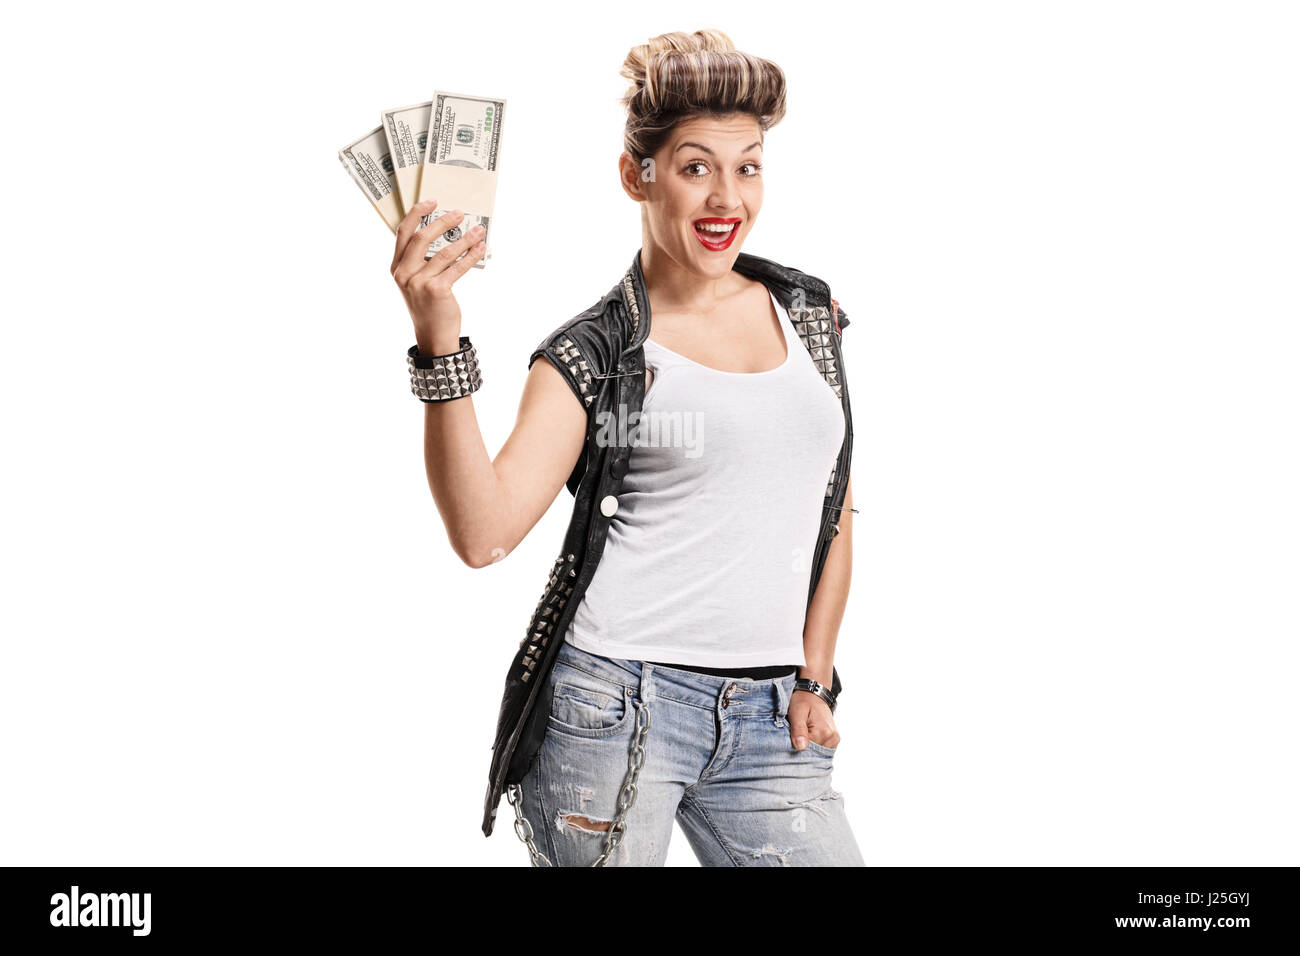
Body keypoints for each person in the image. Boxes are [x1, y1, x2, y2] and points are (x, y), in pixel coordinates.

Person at [389, 28, 864, 866]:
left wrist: (815, 674)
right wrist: (440, 342)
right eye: (694, 167)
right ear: (635, 175)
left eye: (747, 166)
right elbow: (483, 531)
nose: (727, 198)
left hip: (768, 724)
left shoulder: (809, 313)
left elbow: (834, 505)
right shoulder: (595, 352)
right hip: (613, 710)